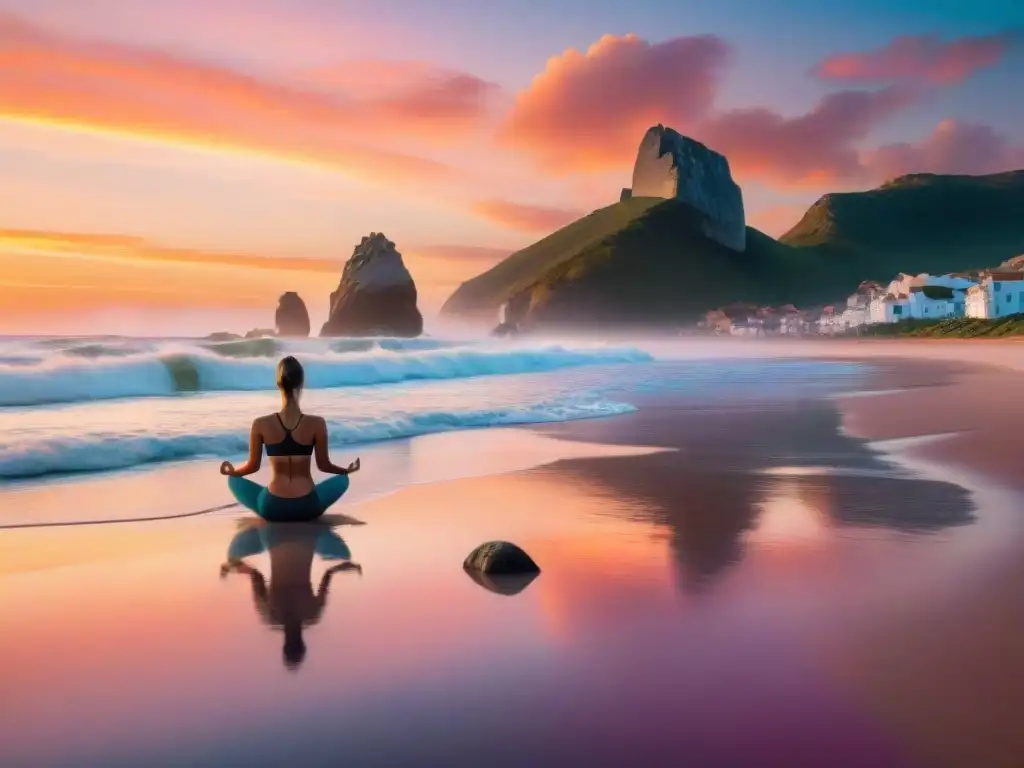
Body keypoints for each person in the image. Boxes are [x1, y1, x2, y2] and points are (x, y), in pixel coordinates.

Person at [220, 355, 360, 522]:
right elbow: (324, 465)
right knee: (342, 480)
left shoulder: (260, 424)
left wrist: (233, 472)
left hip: (272, 507)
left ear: (278, 384)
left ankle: (262, 499)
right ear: (301, 383)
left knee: (234, 481)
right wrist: (345, 470)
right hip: (308, 506)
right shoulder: (317, 423)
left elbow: (252, 467)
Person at [221, 519, 362, 670]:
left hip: (303, 538)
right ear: (299, 644)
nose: (294, 641)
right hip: (280, 537)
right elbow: (256, 576)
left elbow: (327, 575)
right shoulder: (273, 615)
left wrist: (233, 566)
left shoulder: (306, 614)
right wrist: (233, 565)